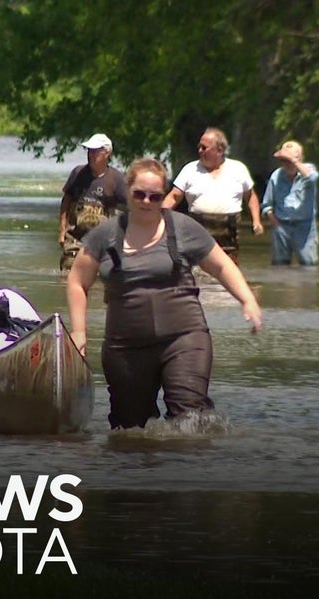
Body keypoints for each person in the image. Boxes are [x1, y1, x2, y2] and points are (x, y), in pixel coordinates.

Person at [67, 158, 263, 429]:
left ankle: (186, 469)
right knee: (129, 430)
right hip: (126, 347)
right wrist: (79, 332)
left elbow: (221, 265)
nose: (146, 201)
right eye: (139, 194)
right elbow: (77, 281)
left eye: (155, 196)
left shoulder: (183, 228)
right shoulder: (106, 234)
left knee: (190, 419)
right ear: (128, 190)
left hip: (184, 339)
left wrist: (247, 299)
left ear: (163, 196)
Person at [161, 127, 264, 264]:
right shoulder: (190, 169)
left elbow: (250, 197)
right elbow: (174, 197)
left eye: (204, 148)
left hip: (228, 233)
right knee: (196, 267)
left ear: (220, 150)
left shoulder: (238, 169)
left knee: (228, 268)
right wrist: (158, 216)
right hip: (198, 229)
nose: (200, 151)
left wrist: (256, 221)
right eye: (199, 147)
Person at [58, 133, 128, 271]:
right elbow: (66, 200)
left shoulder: (117, 179)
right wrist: (62, 230)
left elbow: (131, 208)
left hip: (104, 240)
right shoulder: (78, 173)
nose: (91, 154)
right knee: (68, 275)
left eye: (95, 151)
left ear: (107, 153)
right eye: (89, 150)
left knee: (101, 280)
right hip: (75, 239)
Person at [262, 140, 319, 266]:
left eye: (289, 161)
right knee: (279, 267)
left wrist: (294, 161)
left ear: (300, 159)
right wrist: (275, 224)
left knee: (309, 266)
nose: (286, 164)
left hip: (305, 227)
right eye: (283, 160)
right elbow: (267, 205)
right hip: (281, 226)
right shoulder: (276, 176)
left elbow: (311, 178)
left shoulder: (308, 170)